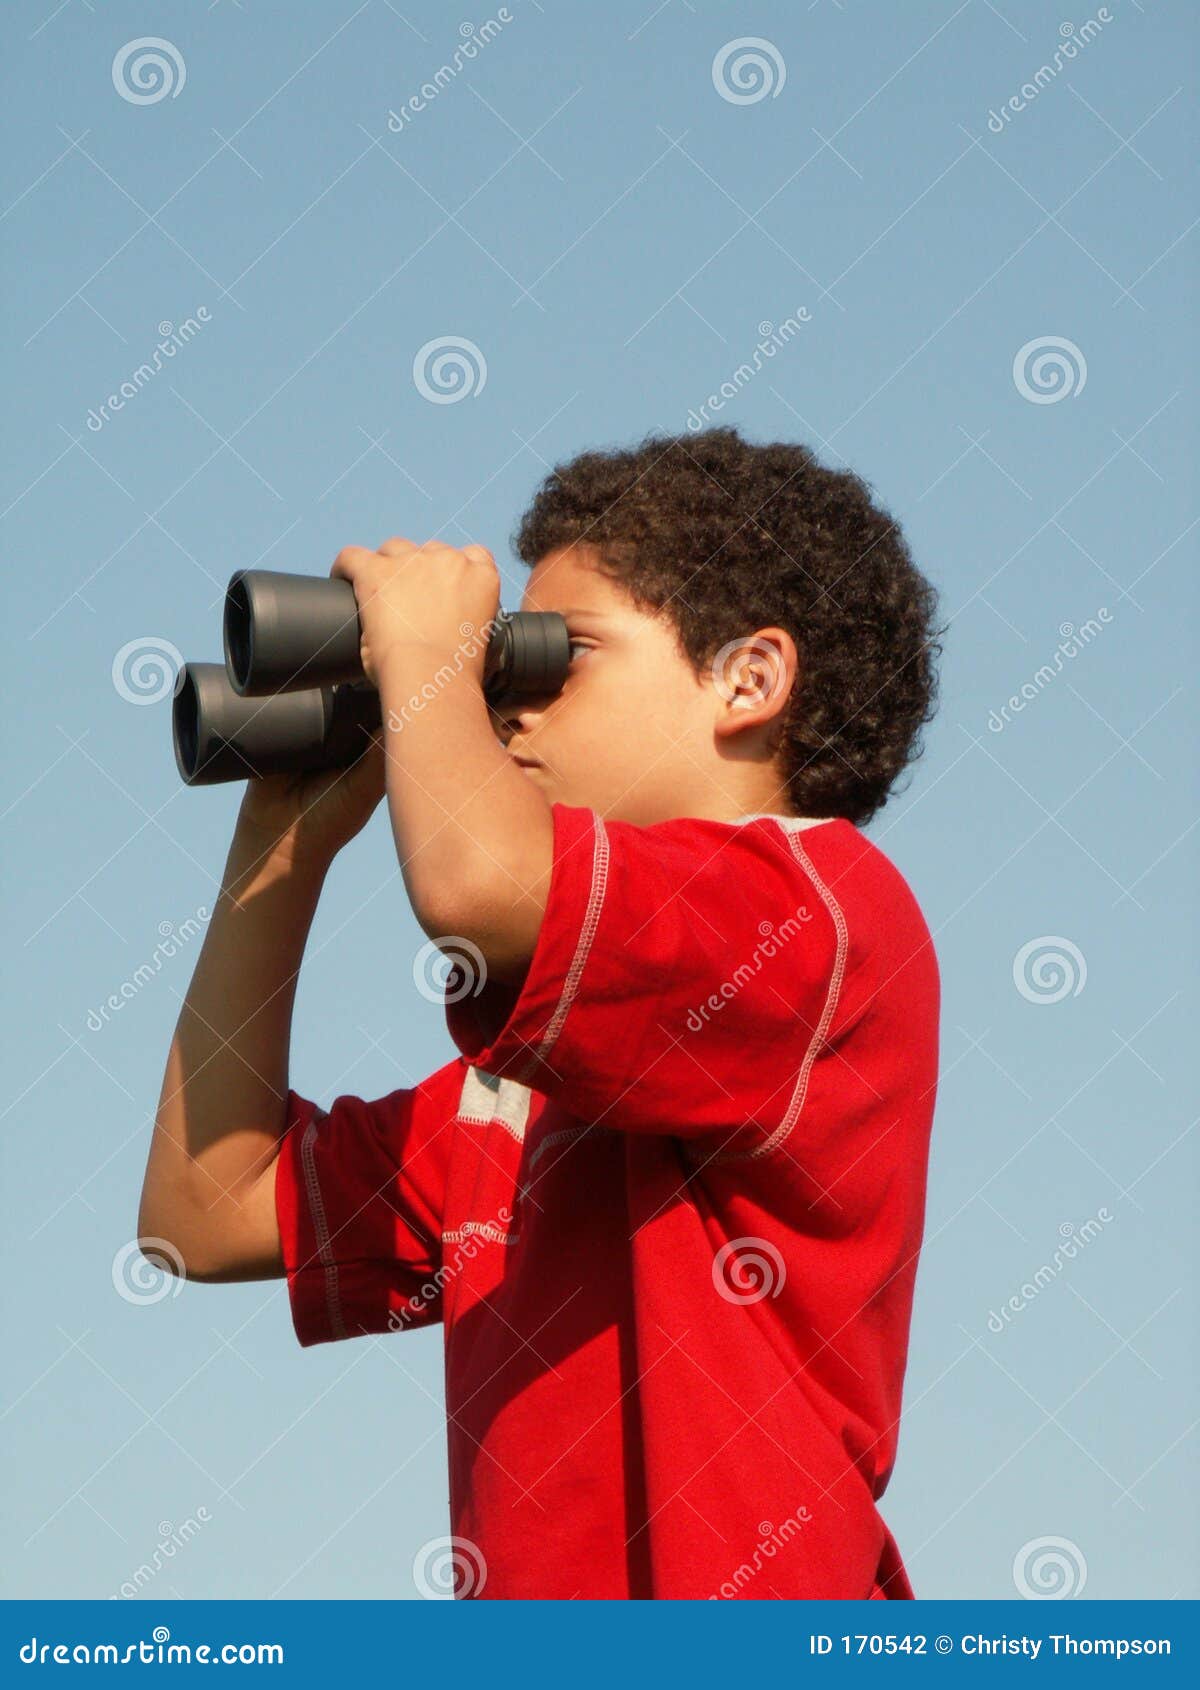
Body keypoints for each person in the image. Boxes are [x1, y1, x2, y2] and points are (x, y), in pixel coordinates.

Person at [138, 425, 944, 1600]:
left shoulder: (817, 913)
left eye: (555, 656)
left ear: (749, 679)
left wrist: (425, 655)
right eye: (501, 668)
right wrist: (282, 851)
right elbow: (201, 1213)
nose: (507, 708)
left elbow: (479, 888)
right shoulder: (520, 1099)